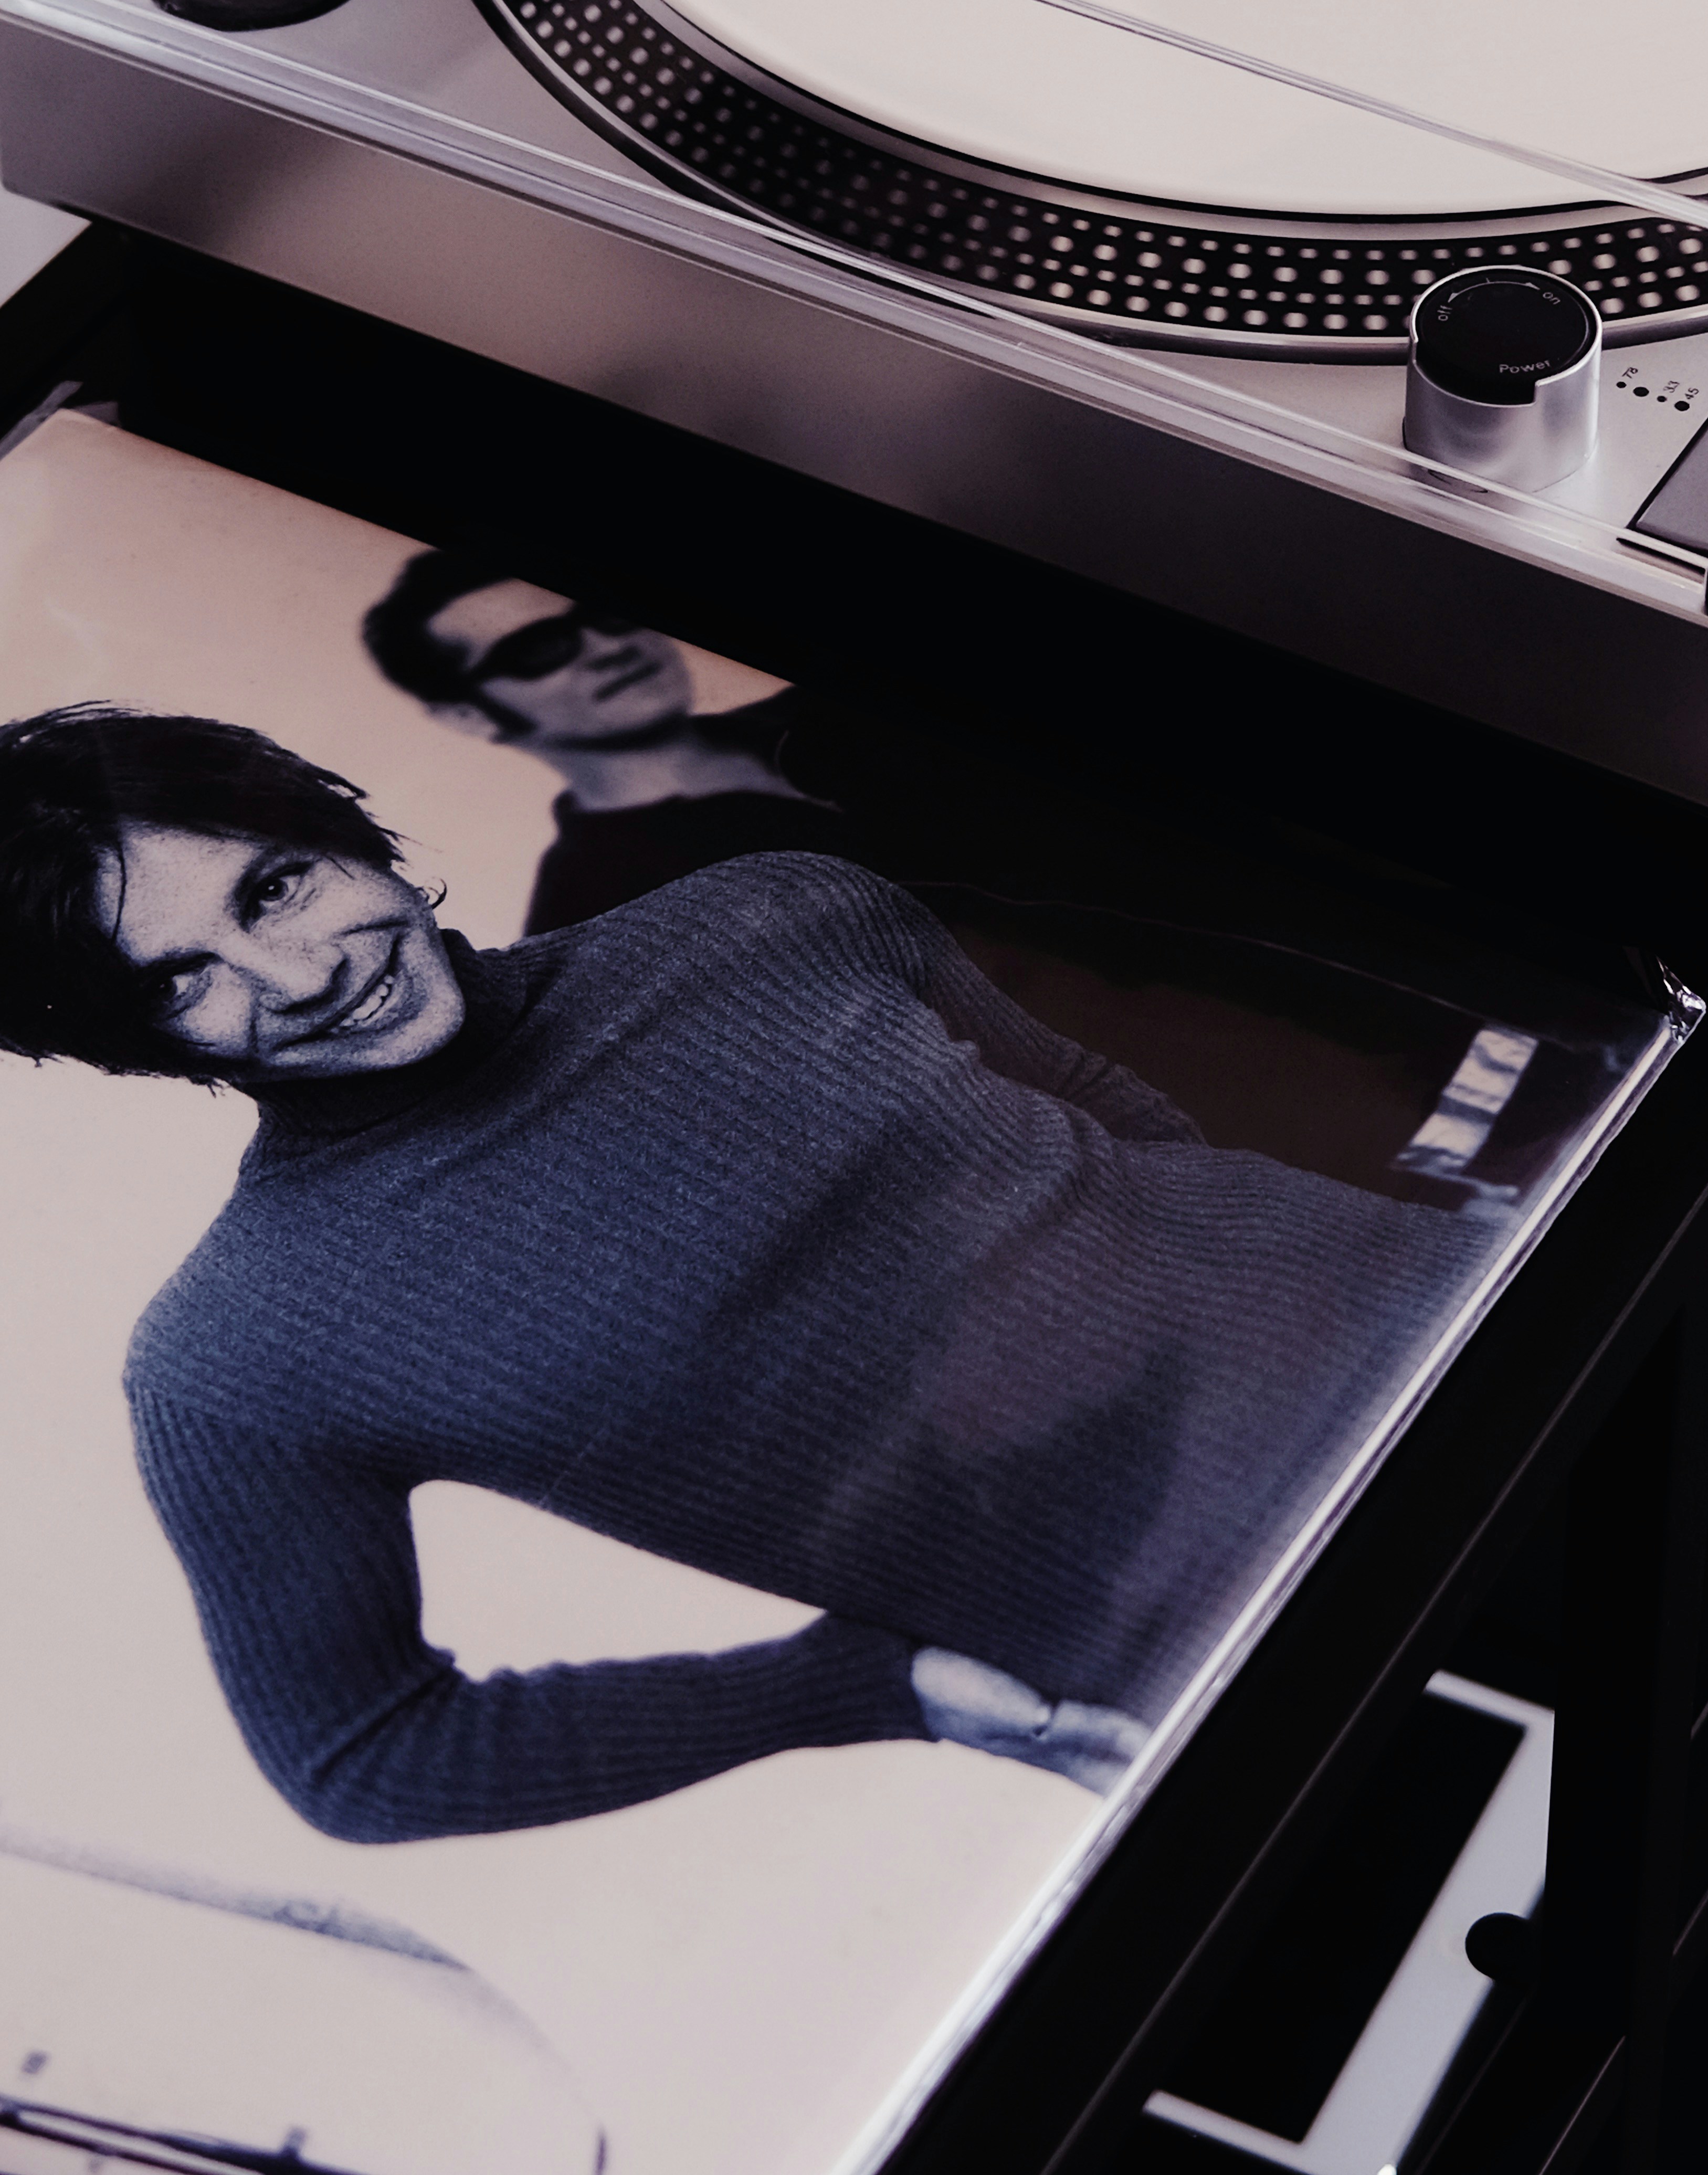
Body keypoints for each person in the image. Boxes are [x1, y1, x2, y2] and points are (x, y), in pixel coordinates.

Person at [0, 705, 1490, 1848]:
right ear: (141, 1048)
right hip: (1278, 1649)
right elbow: (363, 1756)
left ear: (339, 827)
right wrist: (856, 1690)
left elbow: (1116, 1109)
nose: (300, 975)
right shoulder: (238, 1357)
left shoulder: (767, 909)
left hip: (1490, 1336)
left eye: (272, 889)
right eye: (179, 980)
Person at [360, 551, 852, 933]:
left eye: (606, 614)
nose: (611, 650)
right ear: (468, 716)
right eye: (539, 648)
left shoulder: (832, 709)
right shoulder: (600, 916)